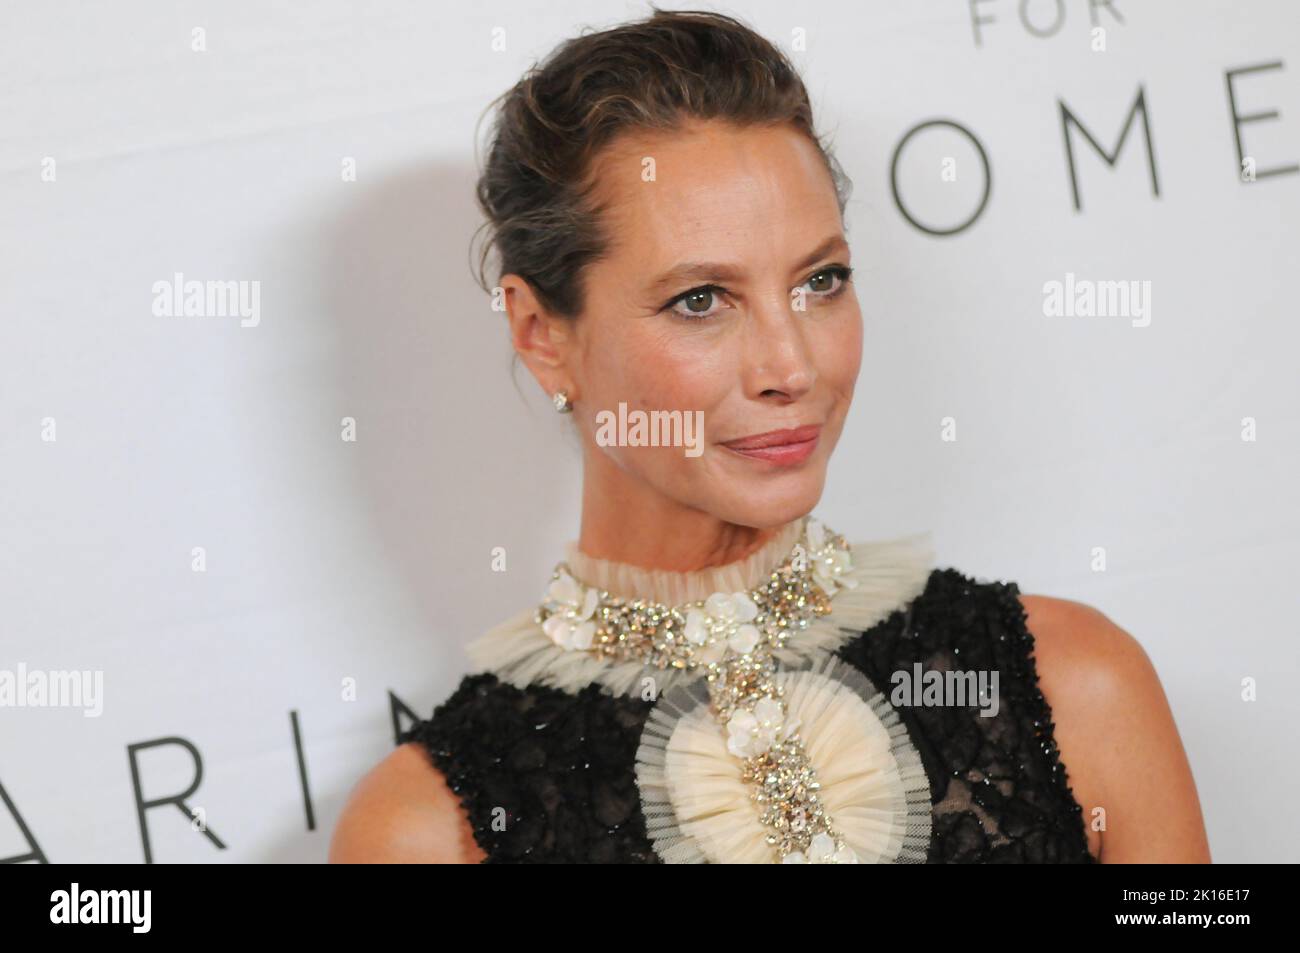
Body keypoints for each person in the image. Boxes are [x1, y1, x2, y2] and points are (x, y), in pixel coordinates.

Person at [329, 7, 1210, 863]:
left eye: (820, 281)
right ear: (541, 335)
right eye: (700, 300)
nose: (791, 366)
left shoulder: (1077, 685)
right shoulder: (429, 832)